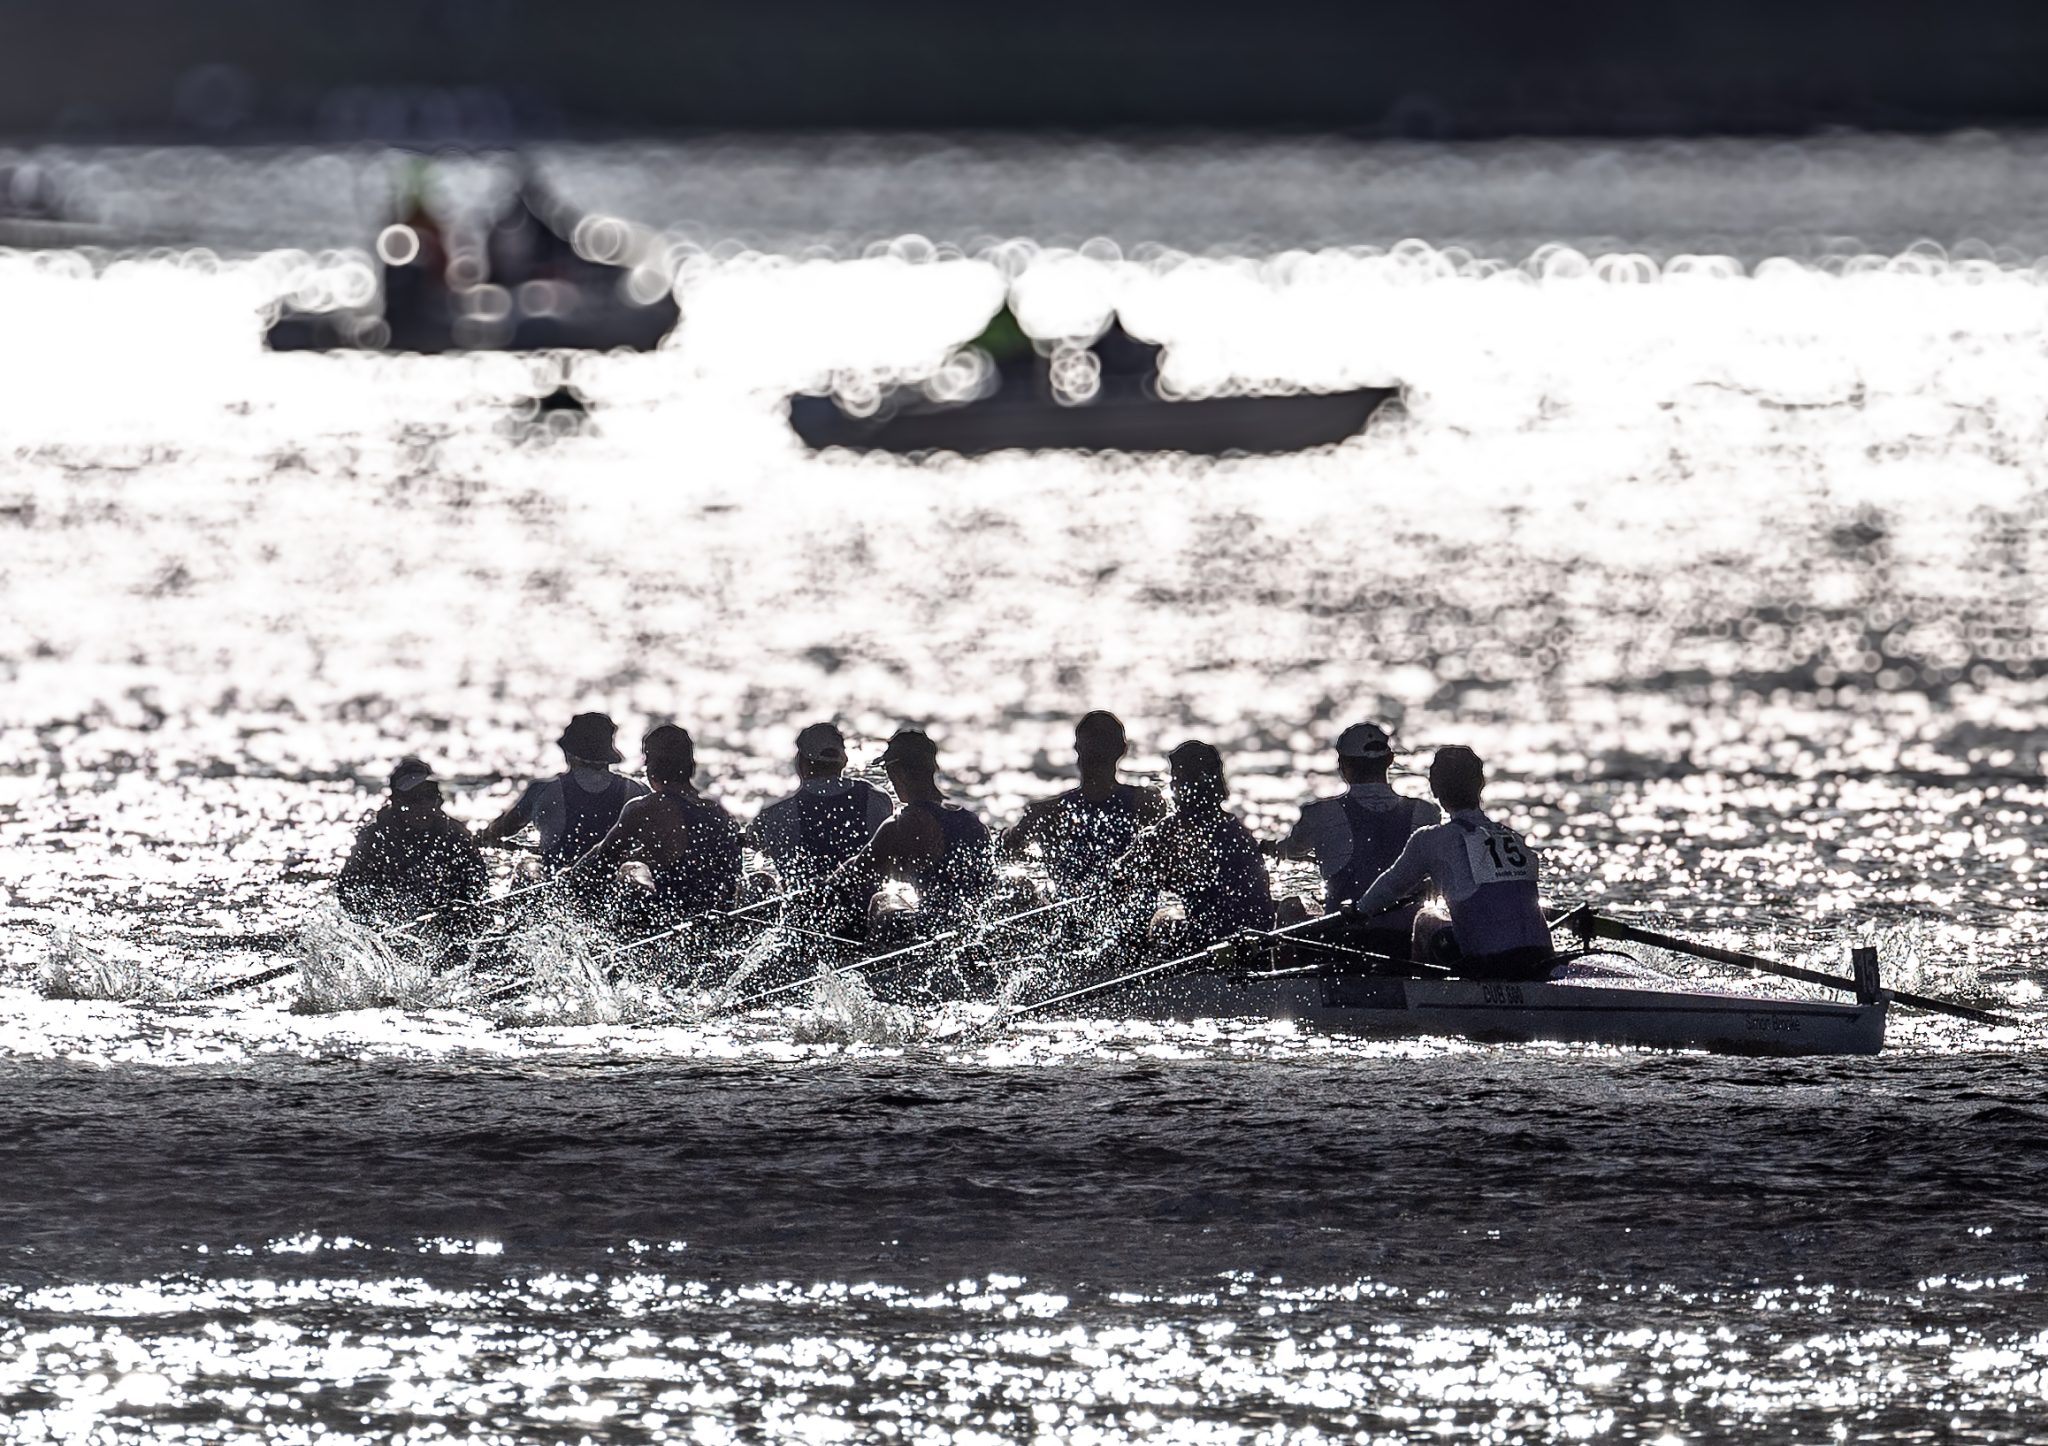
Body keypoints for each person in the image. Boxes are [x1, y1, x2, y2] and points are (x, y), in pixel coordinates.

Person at [1347, 745, 1556, 981]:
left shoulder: (1430, 839)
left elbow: (1390, 888)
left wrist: (1356, 912)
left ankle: (1420, 998)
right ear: (1481, 785)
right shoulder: (1513, 837)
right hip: (1543, 960)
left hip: (1494, 966)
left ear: (1435, 789)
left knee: (1426, 919)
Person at [560, 724, 743, 928]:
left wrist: (566, 880)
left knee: (630, 871)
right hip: (716, 922)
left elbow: (601, 860)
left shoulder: (645, 808)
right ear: (690, 765)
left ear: (651, 766)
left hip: (671, 924)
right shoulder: (720, 813)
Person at [1269, 722, 1440, 935]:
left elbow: (1294, 849)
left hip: (1345, 937)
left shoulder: (1320, 813)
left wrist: (1274, 848)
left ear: (1343, 765)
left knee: (1290, 906)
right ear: (1389, 760)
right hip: (1407, 938)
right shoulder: (1426, 812)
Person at [830, 727, 995, 932]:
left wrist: (821, 889)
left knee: (883, 899)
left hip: (935, 932)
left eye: (888, 771)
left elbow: (857, 875)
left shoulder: (902, 826)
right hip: (977, 925)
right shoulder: (972, 819)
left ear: (899, 773)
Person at [1113, 740, 1275, 948]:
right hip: (1256, 940)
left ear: (1192, 784)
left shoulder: (1175, 830)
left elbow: (1122, 871)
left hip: (1215, 943)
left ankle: (1130, 953)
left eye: (1177, 779)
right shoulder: (1236, 829)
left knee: (1161, 923)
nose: (1172, 786)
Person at [1002, 710, 1168, 892]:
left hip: (1069, 915)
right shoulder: (1148, 804)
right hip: (1136, 915)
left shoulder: (1045, 813)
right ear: (1122, 749)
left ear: (1077, 748)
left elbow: (1003, 853)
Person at [479, 712, 648, 871]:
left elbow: (497, 832)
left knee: (526, 866)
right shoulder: (637, 791)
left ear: (569, 753)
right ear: (609, 754)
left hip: (559, 883)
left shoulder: (542, 790)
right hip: (610, 885)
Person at [337, 756, 489, 928]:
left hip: (447, 921)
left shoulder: (455, 835)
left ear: (438, 799)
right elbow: (347, 892)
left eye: (429, 795)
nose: (423, 806)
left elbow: (478, 885)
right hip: (392, 925)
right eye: (414, 798)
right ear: (397, 802)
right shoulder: (374, 839)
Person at [749, 722, 893, 892]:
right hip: (866, 906)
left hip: (806, 910)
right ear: (843, 761)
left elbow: (762, 845)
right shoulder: (877, 798)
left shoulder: (778, 815)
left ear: (802, 763)